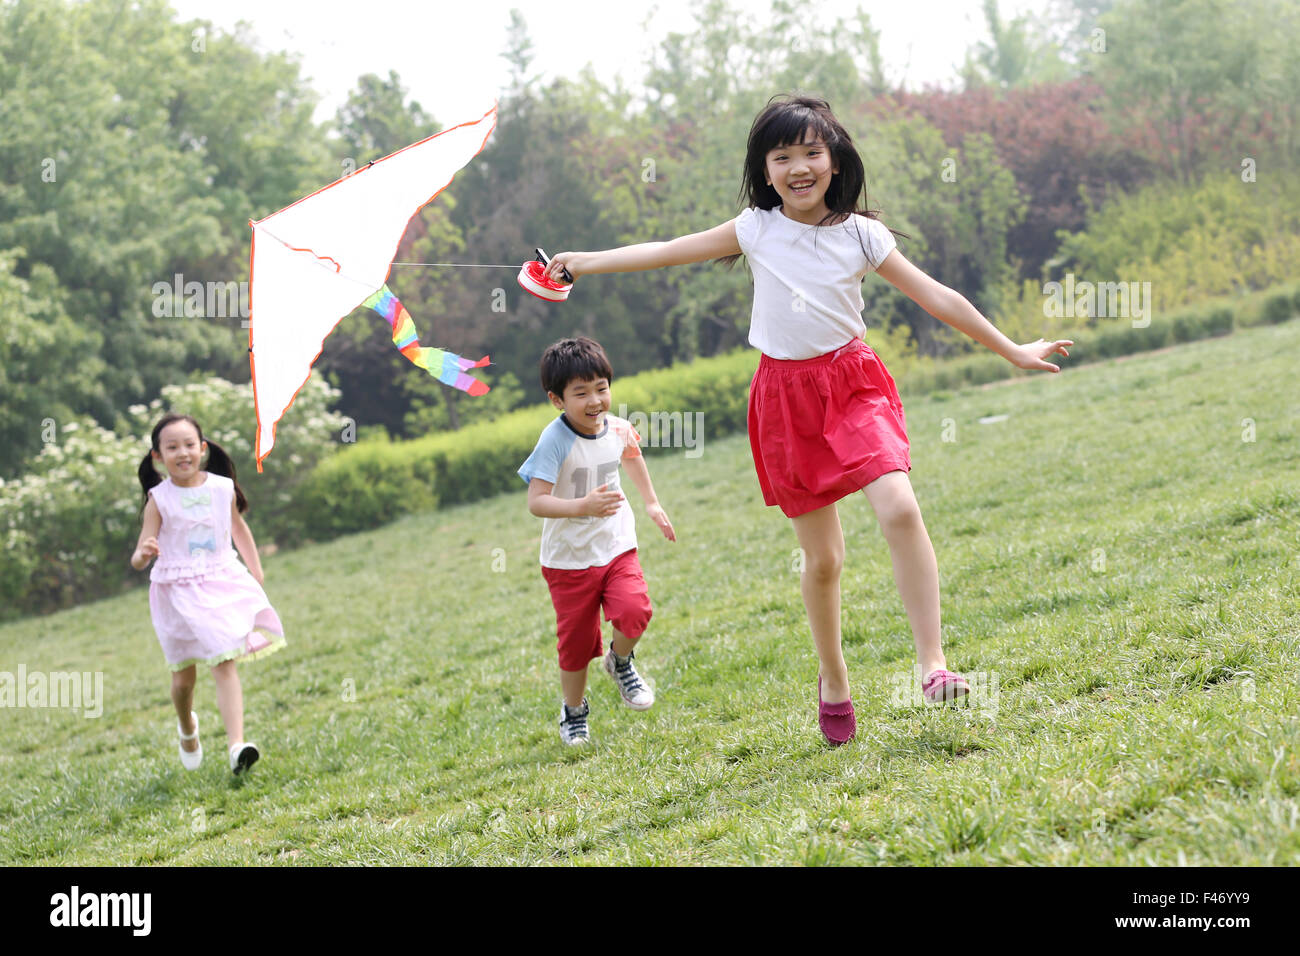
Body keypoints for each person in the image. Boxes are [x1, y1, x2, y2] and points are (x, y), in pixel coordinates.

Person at [543, 94, 1072, 745]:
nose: (799, 167)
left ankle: (932, 663)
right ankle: (833, 676)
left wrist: (1013, 350)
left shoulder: (861, 235)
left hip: (853, 385)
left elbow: (938, 295)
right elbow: (666, 249)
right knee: (823, 561)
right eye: (782, 156)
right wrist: (584, 262)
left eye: (811, 153)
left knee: (900, 508)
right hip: (784, 400)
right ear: (764, 170)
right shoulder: (755, 229)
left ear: (834, 158)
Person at [518, 337, 677, 745]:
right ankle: (574, 711)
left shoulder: (618, 427)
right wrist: (583, 506)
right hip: (568, 561)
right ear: (557, 399)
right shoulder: (554, 441)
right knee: (574, 647)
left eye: (601, 388)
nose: (595, 400)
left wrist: (653, 505)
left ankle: (620, 661)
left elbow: (632, 454)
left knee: (636, 610)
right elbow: (536, 502)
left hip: (616, 544)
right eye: (581, 393)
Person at [130, 413, 286, 772]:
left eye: (188, 445)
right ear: (158, 456)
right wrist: (142, 555)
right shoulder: (159, 499)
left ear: (202, 449)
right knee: (184, 679)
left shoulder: (220, 487)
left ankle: (236, 746)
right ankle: (188, 729)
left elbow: (238, 527)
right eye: (172, 447)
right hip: (176, 595)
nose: (182, 453)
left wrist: (255, 571)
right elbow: (139, 556)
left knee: (223, 661)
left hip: (218, 581)